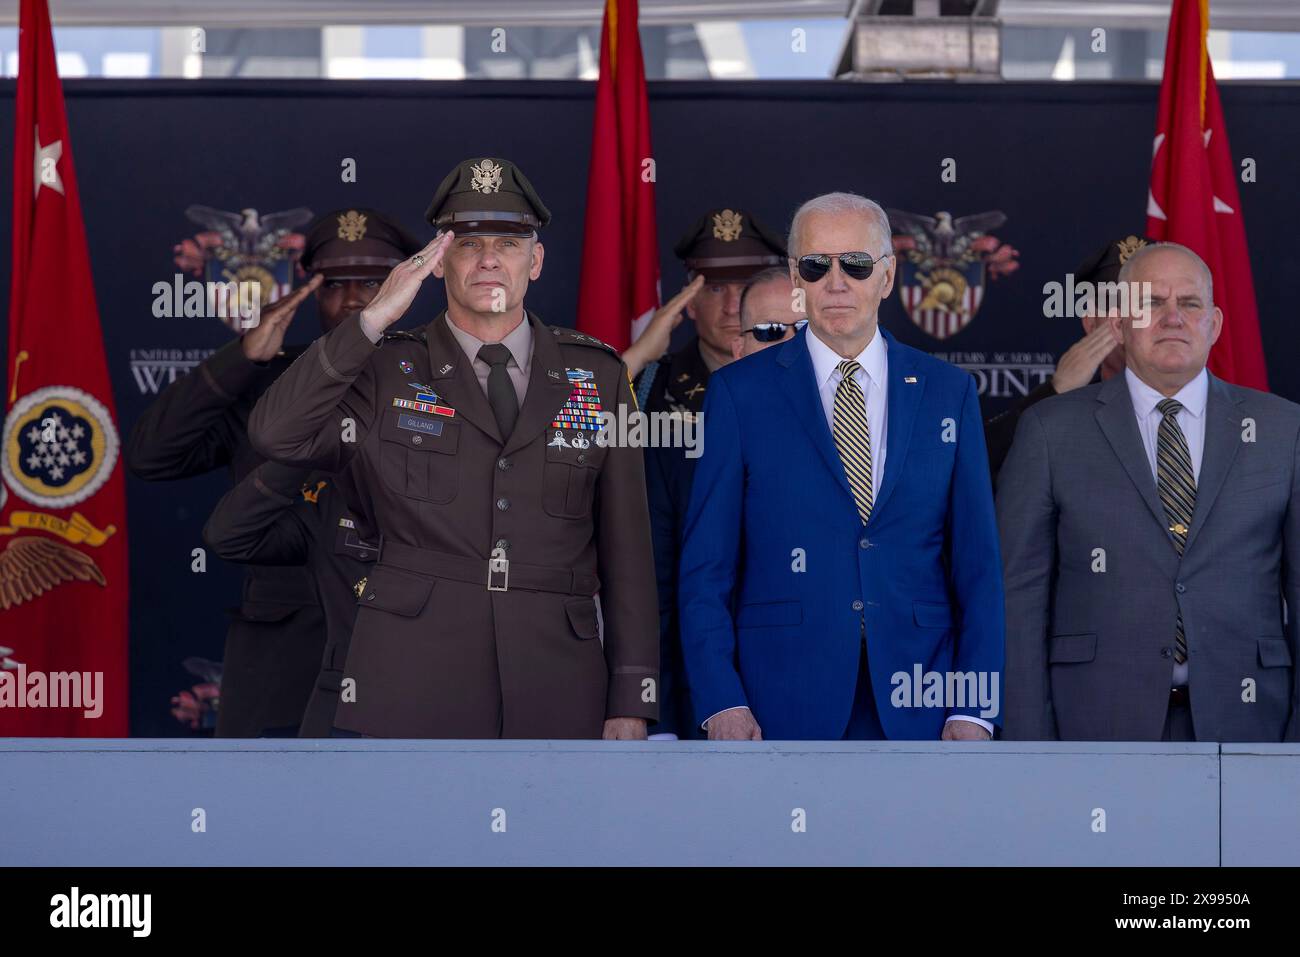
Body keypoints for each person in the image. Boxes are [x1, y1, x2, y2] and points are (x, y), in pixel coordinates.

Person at [247, 157, 658, 739]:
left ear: (535, 262)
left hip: (558, 679)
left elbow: (628, 548)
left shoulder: (598, 373)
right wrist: (371, 320)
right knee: (416, 832)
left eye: (510, 244)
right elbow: (274, 432)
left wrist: (632, 694)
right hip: (411, 673)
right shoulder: (385, 365)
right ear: (439, 264)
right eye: (468, 244)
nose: (490, 259)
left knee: (552, 831)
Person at [679, 192, 1004, 741]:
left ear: (887, 274)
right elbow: (707, 565)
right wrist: (720, 701)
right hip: (774, 701)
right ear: (795, 276)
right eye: (815, 265)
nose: (836, 282)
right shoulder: (739, 394)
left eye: (855, 264)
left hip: (922, 698)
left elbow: (977, 566)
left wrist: (974, 707)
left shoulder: (948, 392)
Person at [128, 208, 421, 737]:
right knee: (259, 814)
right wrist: (243, 357)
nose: (353, 299)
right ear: (311, 294)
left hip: (391, 641)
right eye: (334, 285)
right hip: (280, 653)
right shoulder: (272, 387)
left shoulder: (431, 387)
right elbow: (152, 455)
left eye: (373, 283)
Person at [999, 242, 1300, 742]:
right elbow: (1019, 598)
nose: (1172, 318)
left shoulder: (1282, 429)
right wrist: (1029, 742)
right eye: (1151, 304)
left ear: (1216, 325)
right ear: (1118, 325)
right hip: (1092, 726)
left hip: (1252, 724)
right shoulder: (1050, 431)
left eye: (1189, 303)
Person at [631, 210, 787, 740]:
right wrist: (656, 710)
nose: (730, 305)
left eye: (746, 286)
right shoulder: (651, 388)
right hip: (692, 687)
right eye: (715, 286)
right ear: (688, 299)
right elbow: (651, 576)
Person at [202, 463, 377, 737]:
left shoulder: (463, 499)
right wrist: (297, 455)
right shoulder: (334, 495)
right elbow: (228, 537)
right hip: (344, 703)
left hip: (443, 698)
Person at [984, 236, 1145, 484]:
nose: (1132, 319)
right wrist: (1055, 391)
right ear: (1091, 323)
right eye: (1117, 305)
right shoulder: (1066, 415)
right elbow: (976, 467)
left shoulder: (1210, 409)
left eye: (1147, 303)